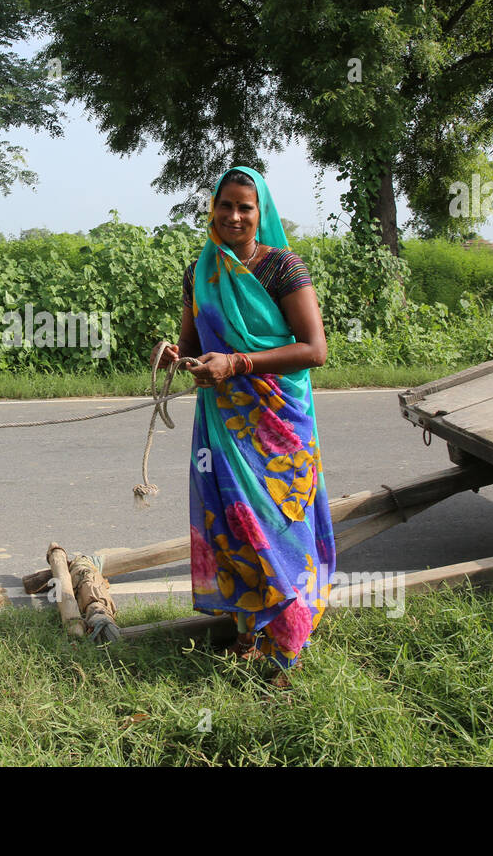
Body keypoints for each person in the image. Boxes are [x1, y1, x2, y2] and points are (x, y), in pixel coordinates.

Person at [157, 166, 335, 676]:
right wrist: (176, 355)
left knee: (280, 523)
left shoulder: (283, 268)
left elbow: (314, 350)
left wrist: (237, 363)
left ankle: (287, 641)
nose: (234, 216)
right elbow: (194, 346)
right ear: (212, 208)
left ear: (262, 214)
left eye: (245, 207)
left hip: (277, 422)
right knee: (231, 523)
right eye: (225, 205)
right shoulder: (201, 272)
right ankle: (246, 634)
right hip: (221, 423)